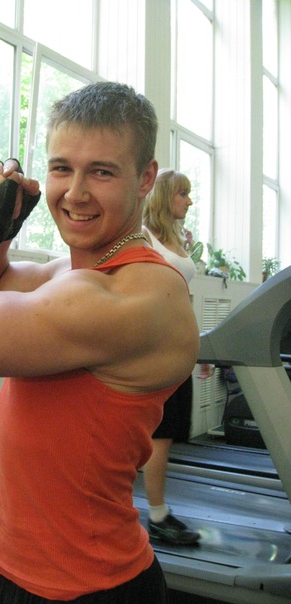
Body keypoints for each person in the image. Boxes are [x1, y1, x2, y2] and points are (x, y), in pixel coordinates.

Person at [0, 82, 200, 603]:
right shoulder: (68, 275)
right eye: (61, 168)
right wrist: (3, 229)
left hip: (87, 589)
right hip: (3, 565)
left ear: (145, 178)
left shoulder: (137, 294)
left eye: (101, 171)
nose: (75, 193)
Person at [141, 169, 207, 546]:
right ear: (165, 196)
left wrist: (198, 346)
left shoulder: (178, 240)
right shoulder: (144, 236)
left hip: (179, 344)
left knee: (170, 432)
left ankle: (158, 512)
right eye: (183, 194)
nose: (189, 201)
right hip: (155, 347)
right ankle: (157, 516)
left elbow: (183, 296)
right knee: (159, 435)